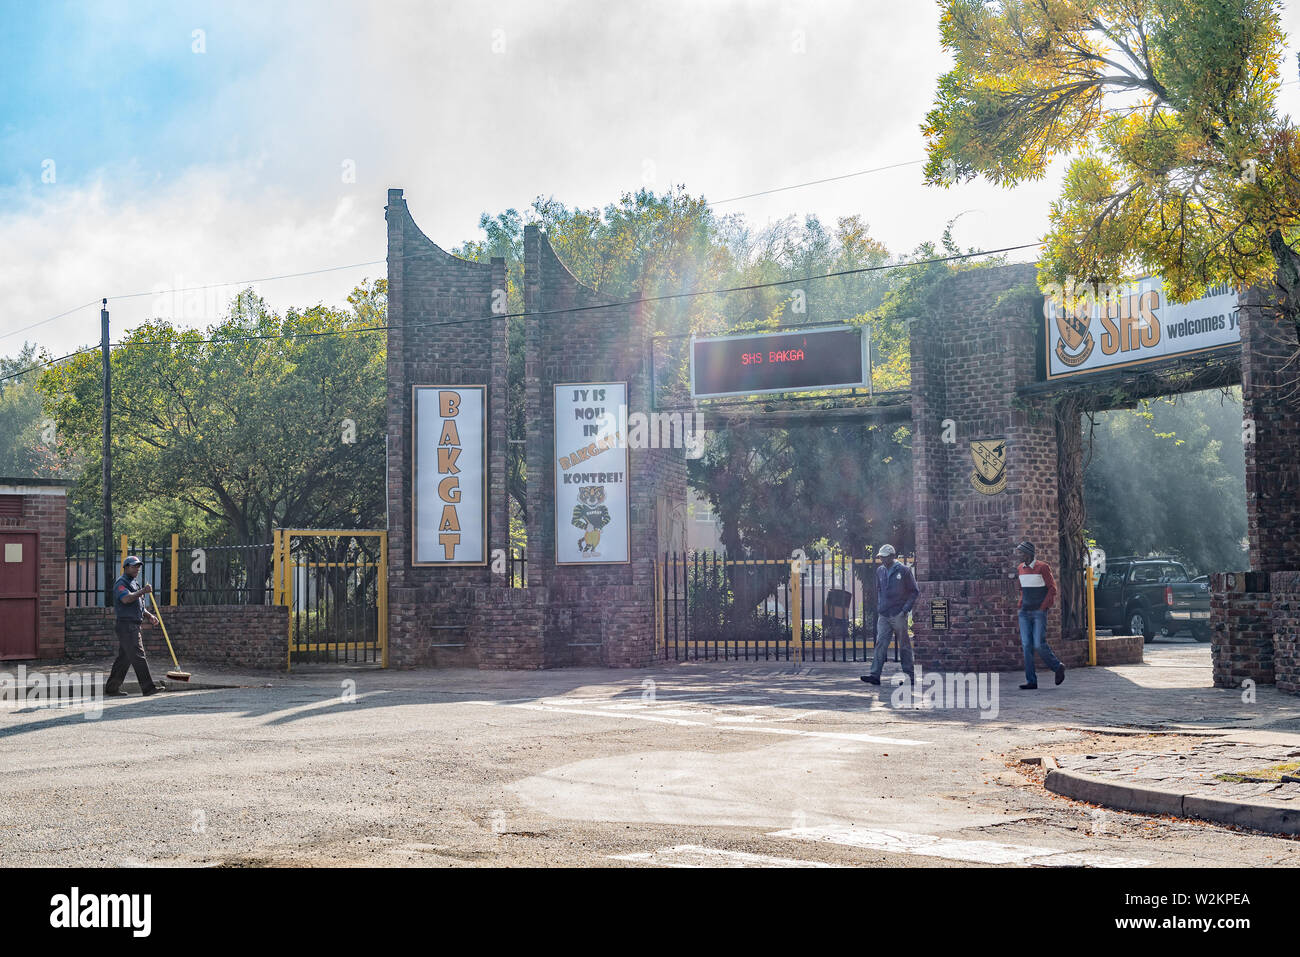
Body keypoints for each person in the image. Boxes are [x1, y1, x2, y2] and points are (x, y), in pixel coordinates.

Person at [104, 556, 166, 697]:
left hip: (132, 625)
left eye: (138, 566)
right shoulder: (121, 582)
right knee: (139, 656)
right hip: (126, 626)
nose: (137, 569)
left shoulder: (134, 583)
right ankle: (148, 688)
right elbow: (126, 599)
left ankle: (112, 688)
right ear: (125, 567)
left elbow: (137, 605)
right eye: (133, 566)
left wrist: (149, 615)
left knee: (124, 659)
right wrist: (143, 591)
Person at [860, 544, 919, 686]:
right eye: (881, 557)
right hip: (884, 614)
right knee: (880, 643)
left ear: (892, 556)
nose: (882, 559)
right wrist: (880, 606)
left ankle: (909, 677)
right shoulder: (880, 571)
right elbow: (879, 590)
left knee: (904, 645)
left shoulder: (904, 571)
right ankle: (875, 675)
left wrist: (905, 610)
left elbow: (914, 591)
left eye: (885, 557)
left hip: (898, 613)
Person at [1015, 540, 1065, 690]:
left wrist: (1043, 607)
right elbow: (1023, 589)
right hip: (1024, 612)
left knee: (1038, 644)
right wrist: (1020, 604)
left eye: (1022, 552)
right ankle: (1031, 681)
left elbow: (1052, 588)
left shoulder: (1042, 567)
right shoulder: (1020, 569)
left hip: (1039, 612)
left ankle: (1057, 667)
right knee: (1026, 646)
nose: (1020, 555)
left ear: (1029, 553)